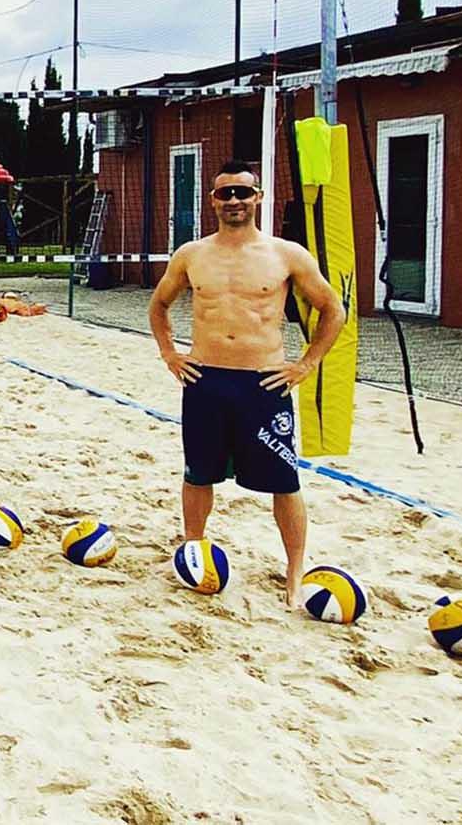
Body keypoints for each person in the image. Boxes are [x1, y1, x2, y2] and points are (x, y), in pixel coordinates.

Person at [148, 159, 346, 608]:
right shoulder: (192, 254)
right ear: (213, 200)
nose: (234, 200)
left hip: (264, 384)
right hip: (205, 380)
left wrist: (307, 363)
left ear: (258, 198)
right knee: (198, 475)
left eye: (242, 192)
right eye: (225, 194)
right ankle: (193, 550)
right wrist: (169, 353)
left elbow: (333, 310)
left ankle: (295, 572)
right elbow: (159, 305)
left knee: (285, 481)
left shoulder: (287, 254)